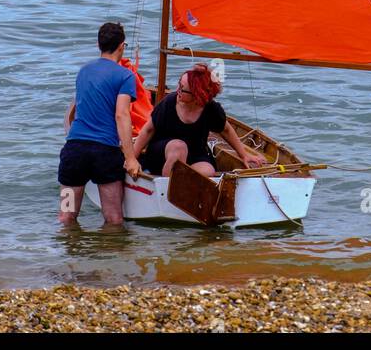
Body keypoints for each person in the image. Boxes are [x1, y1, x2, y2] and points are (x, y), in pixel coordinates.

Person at [57, 22, 141, 227]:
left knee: (66, 216)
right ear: (122, 46)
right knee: (113, 219)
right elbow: (121, 115)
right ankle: (108, 258)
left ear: (98, 44)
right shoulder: (125, 76)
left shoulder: (83, 72)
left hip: (74, 151)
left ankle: (69, 258)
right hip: (105, 153)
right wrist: (130, 159)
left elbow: (79, 106)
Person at [134, 63, 266, 177]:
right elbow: (148, 130)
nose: (177, 91)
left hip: (195, 154)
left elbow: (226, 130)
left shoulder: (211, 109)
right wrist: (131, 158)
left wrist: (244, 155)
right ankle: (167, 185)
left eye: (182, 89)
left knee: (208, 171)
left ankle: (179, 180)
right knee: (179, 147)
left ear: (197, 95)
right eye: (179, 85)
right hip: (163, 153)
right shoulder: (169, 103)